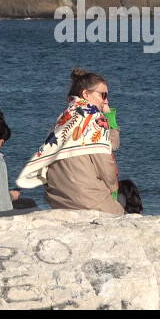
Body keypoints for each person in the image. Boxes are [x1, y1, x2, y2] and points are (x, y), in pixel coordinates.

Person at [16, 68, 123, 215]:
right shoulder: (93, 117)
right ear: (86, 94)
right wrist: (113, 190)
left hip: (58, 199)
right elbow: (107, 161)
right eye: (103, 95)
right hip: (88, 200)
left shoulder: (64, 118)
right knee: (121, 213)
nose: (106, 100)